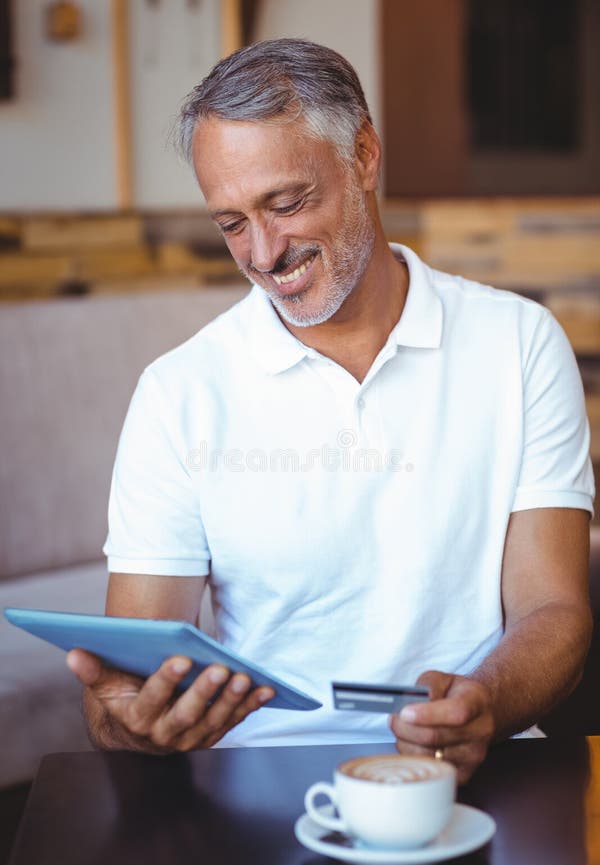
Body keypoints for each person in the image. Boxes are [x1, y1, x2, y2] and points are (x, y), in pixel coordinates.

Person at [67, 39, 594, 784]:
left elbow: (554, 609)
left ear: (365, 155)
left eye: (286, 204)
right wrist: (130, 723)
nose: (263, 253)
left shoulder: (519, 343)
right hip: (264, 785)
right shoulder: (178, 392)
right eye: (231, 224)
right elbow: (124, 680)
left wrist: (487, 702)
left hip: (487, 766)